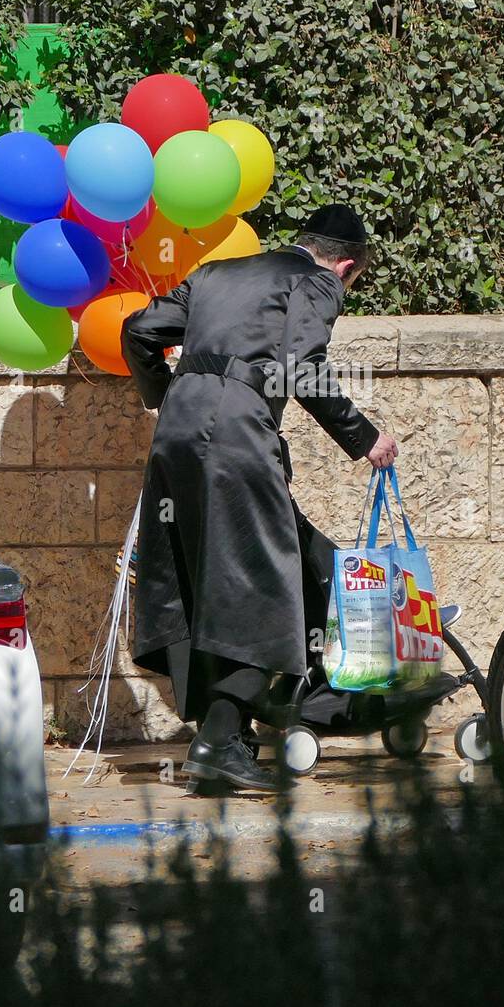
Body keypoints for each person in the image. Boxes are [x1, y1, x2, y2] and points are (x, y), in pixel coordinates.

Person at [120, 204, 398, 792]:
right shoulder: (315, 280)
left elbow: (138, 331)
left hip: (177, 434)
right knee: (271, 579)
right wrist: (364, 437)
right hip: (237, 439)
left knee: (203, 578)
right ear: (346, 266)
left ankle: (231, 732)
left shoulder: (217, 272)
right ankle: (220, 738)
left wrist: (166, 395)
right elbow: (304, 366)